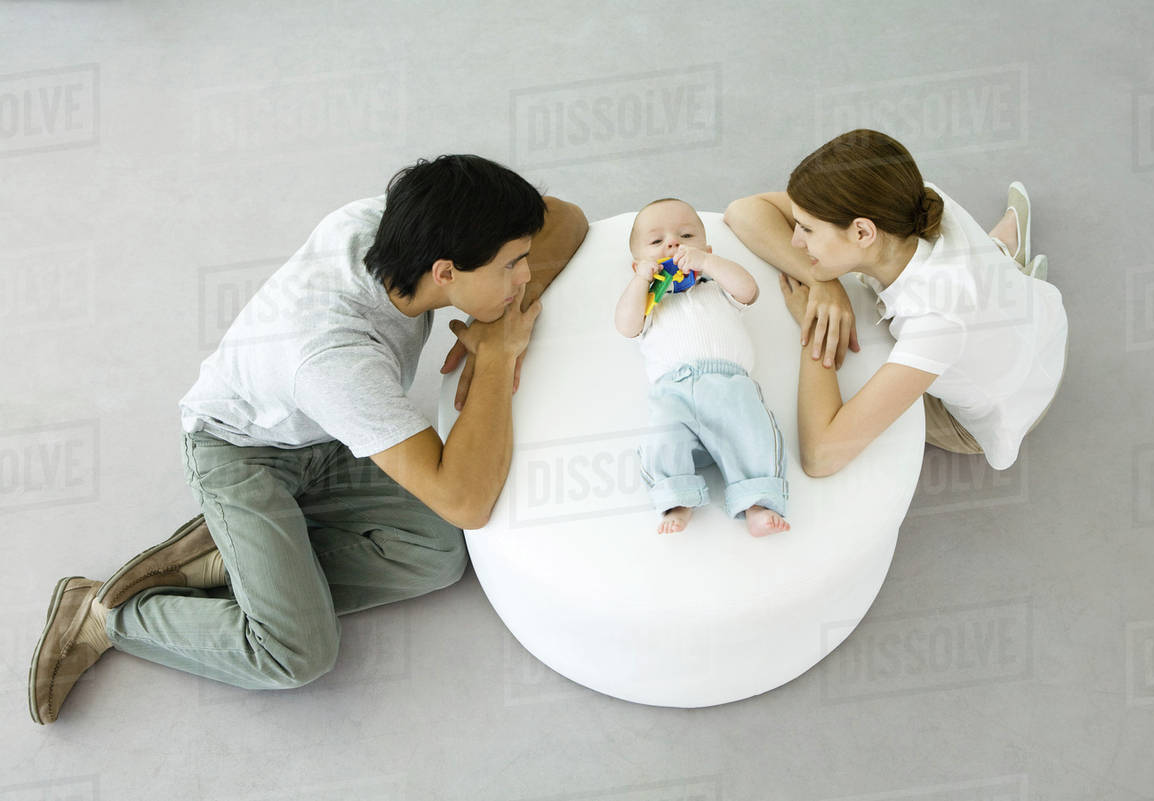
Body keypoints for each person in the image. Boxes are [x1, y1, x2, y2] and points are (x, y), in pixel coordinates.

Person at [28, 154, 588, 724]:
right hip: (240, 451)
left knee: (438, 553)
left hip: (324, 433)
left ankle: (234, 562)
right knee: (295, 652)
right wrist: (497, 354)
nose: (525, 277)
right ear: (445, 272)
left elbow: (566, 219)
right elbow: (467, 500)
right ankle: (104, 614)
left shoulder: (396, 226)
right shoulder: (334, 359)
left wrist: (500, 311)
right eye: (512, 266)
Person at [724, 129, 1067, 477]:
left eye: (807, 230)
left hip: (1005, 405)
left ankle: (1006, 257)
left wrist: (815, 327)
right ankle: (1006, 256)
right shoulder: (913, 199)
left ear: (862, 232)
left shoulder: (937, 321)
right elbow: (743, 211)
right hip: (1034, 317)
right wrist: (821, 282)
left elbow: (821, 456)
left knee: (858, 367)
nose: (796, 241)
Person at [615, 198, 789, 537]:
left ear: (706, 249)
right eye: (657, 240)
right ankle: (676, 500)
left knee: (756, 435)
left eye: (686, 235)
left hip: (730, 385)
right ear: (637, 263)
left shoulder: (718, 289)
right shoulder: (649, 304)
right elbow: (625, 326)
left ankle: (757, 502)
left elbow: (749, 291)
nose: (672, 243)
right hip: (673, 391)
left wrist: (708, 264)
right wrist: (640, 282)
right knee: (661, 441)